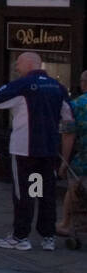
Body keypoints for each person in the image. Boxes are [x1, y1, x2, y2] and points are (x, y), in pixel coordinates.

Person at [0, 52, 73, 251]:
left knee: (23, 192)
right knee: (42, 191)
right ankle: (47, 235)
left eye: (18, 63)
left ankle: (20, 235)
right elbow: (68, 117)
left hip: (25, 149)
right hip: (48, 149)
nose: (16, 67)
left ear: (29, 64)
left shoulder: (23, 85)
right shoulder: (57, 87)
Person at [59, 70, 87, 238]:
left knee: (74, 190)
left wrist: (64, 162)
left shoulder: (77, 104)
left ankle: (67, 224)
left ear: (84, 83)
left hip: (83, 159)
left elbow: (68, 134)